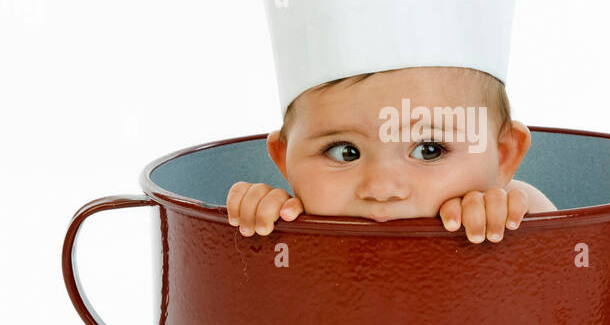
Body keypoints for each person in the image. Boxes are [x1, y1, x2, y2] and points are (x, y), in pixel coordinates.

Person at [227, 65, 556, 240]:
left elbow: (566, 293)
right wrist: (256, 230)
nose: (381, 189)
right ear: (284, 158)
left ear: (502, 156)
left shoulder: (512, 215)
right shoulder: (283, 228)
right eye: (345, 152)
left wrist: (514, 213)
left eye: (429, 150)